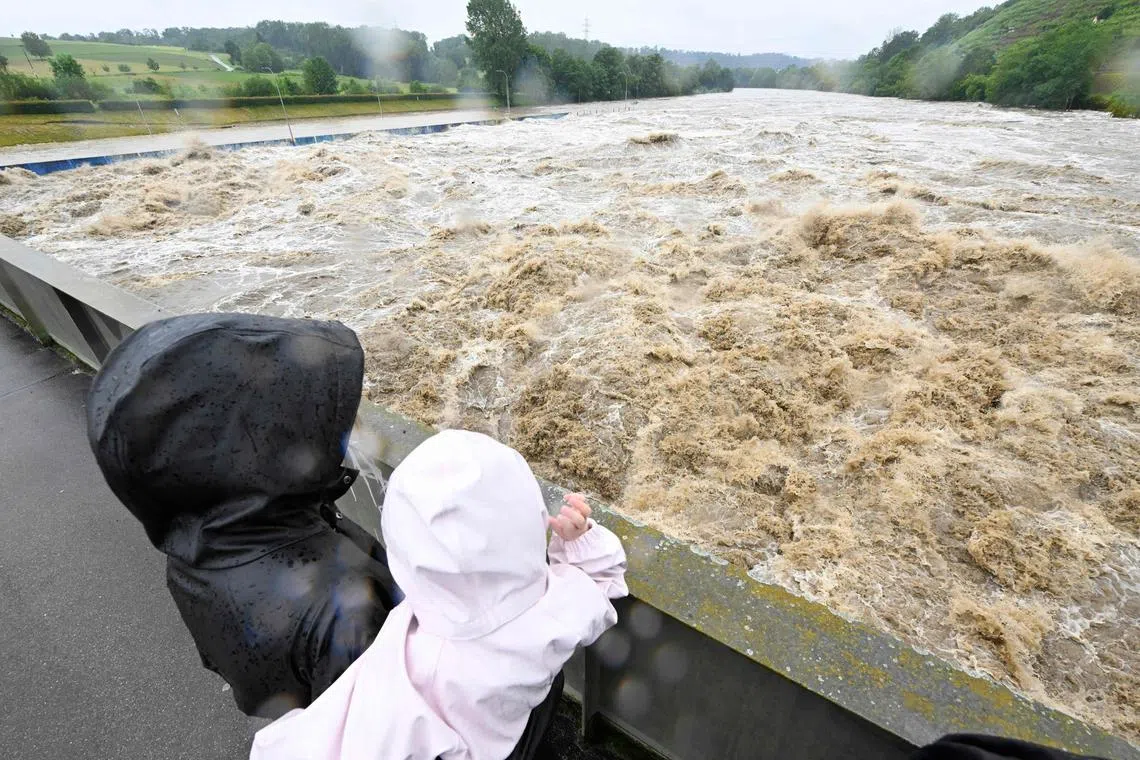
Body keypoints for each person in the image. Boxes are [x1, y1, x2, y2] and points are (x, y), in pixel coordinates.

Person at [87, 312, 398, 718]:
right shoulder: (350, 609)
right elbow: (382, 730)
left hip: (283, 699)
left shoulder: (200, 539)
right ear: (264, 441)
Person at [249, 429, 629, 760]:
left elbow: (339, 745)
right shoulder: (555, 607)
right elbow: (603, 578)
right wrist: (579, 538)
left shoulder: (415, 676)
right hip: (523, 726)